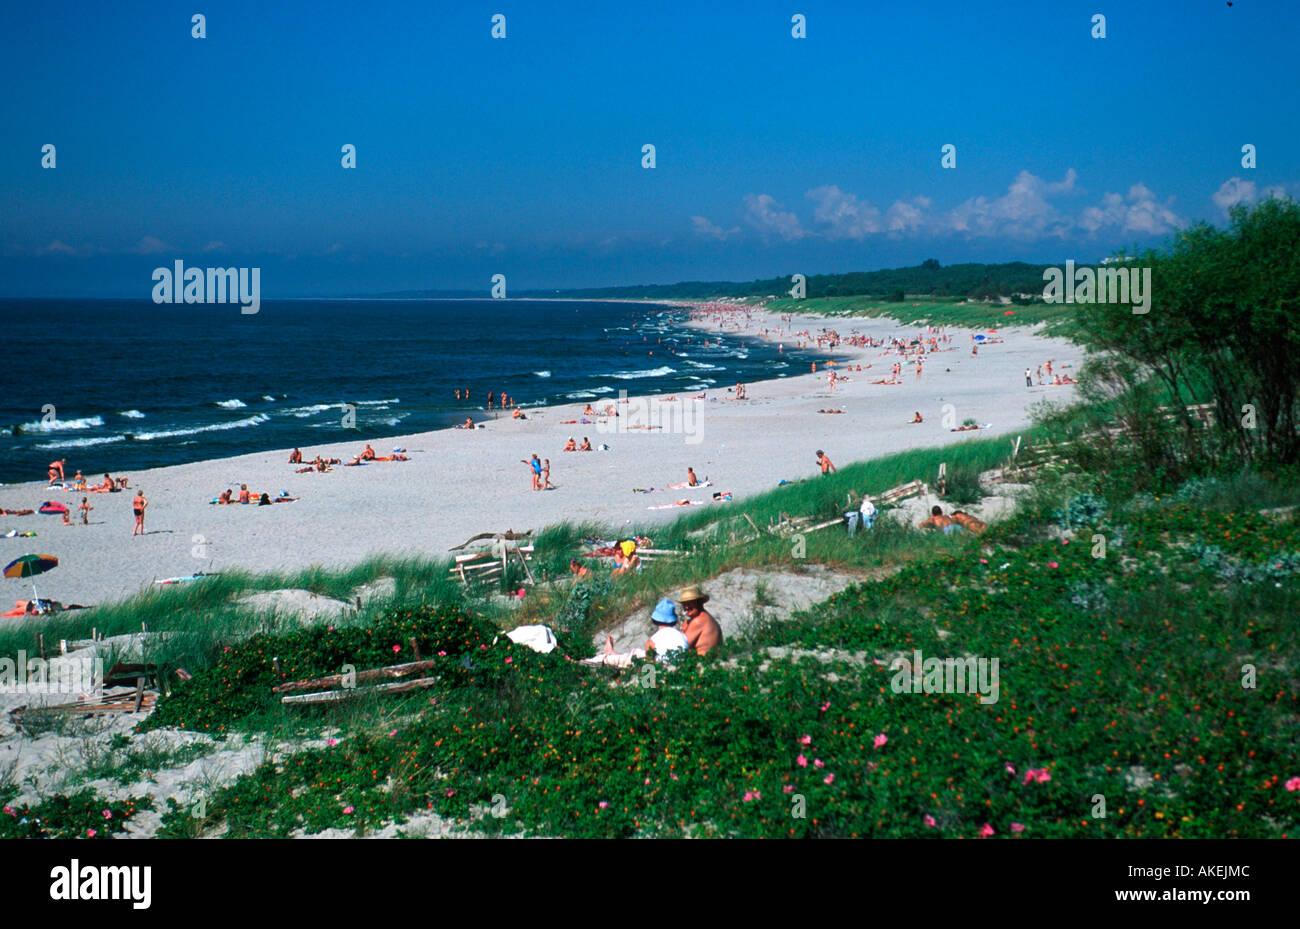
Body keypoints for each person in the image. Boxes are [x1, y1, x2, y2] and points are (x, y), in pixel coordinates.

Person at [678, 584, 722, 656]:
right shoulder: (704, 617)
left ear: (699, 602)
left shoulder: (699, 620)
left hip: (703, 662)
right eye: (684, 603)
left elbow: (682, 646)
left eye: (690, 603)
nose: (686, 607)